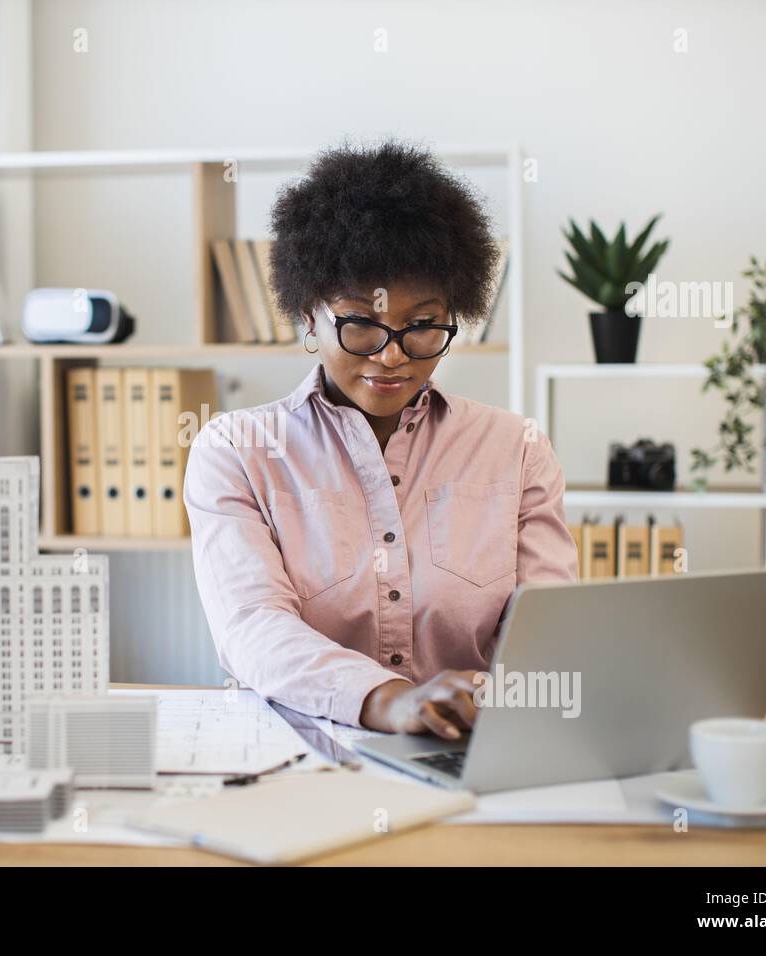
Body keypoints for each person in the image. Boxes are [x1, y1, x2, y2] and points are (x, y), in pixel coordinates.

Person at [184, 139, 578, 740]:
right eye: (362, 324)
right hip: (299, 760)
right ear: (308, 316)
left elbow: (546, 629)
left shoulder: (517, 449)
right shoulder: (235, 451)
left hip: (468, 753)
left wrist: (503, 706)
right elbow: (252, 626)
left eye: (422, 326)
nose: (392, 356)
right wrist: (389, 700)